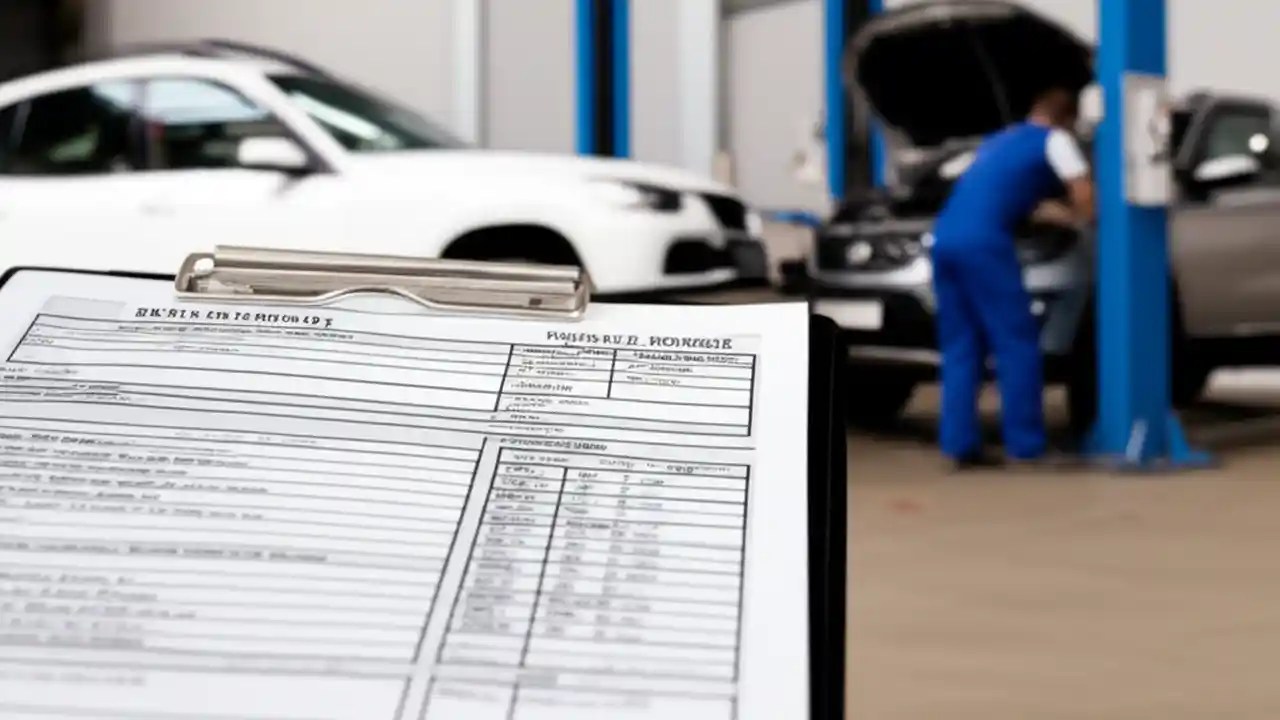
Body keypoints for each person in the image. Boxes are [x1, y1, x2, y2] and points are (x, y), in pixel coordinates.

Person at [929, 86, 1095, 469]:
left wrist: (1047, 211)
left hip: (944, 239)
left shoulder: (996, 142)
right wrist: (1087, 218)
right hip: (984, 244)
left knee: (961, 347)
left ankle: (959, 446)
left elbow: (999, 193)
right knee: (1016, 342)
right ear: (1067, 119)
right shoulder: (1056, 140)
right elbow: (1082, 191)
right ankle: (1026, 446)